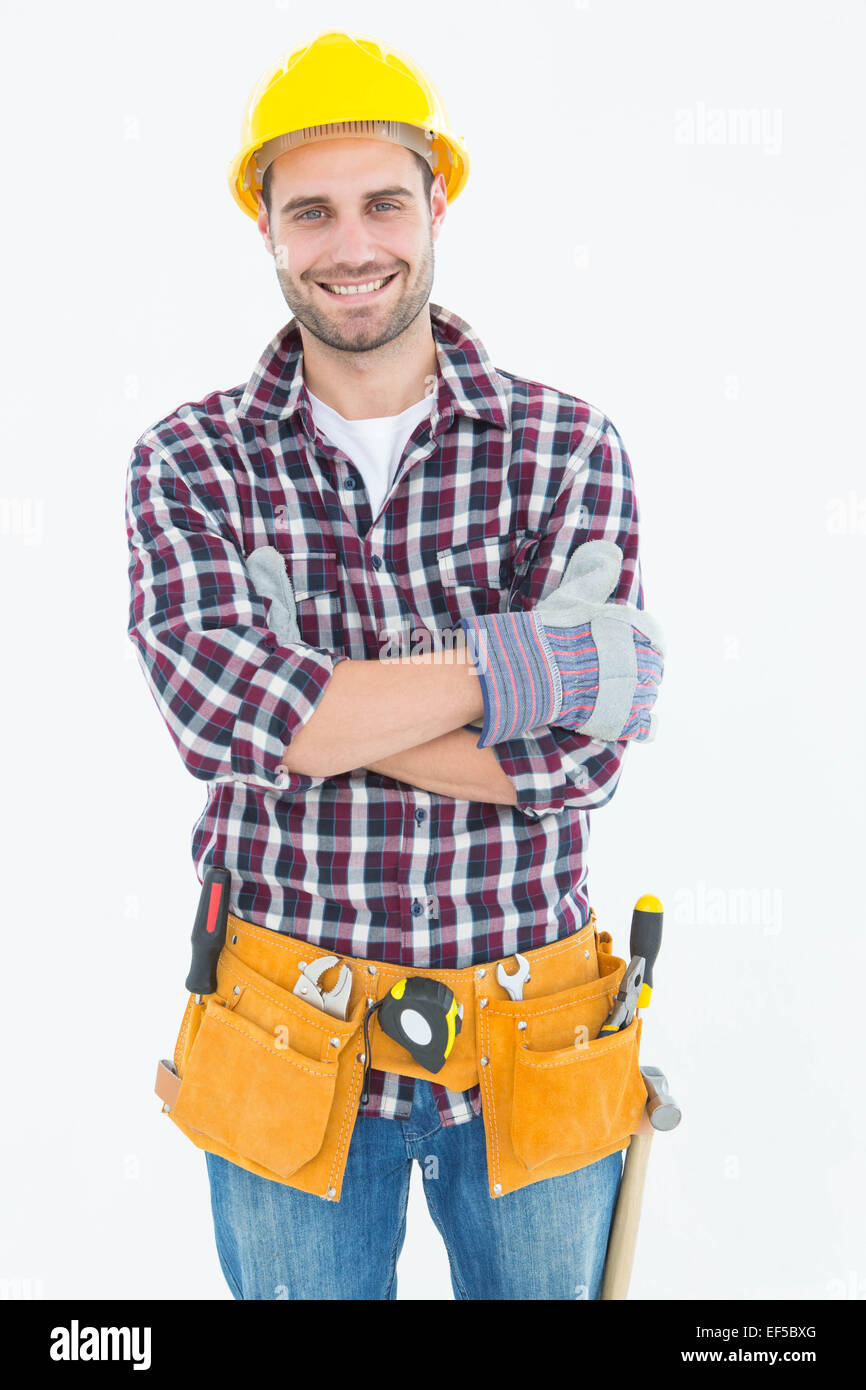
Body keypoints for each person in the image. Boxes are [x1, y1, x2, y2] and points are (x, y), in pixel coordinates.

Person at [125, 29, 664, 1300]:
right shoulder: (187, 460)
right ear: (266, 226)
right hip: (281, 1022)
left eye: (382, 201)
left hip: (534, 1028)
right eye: (311, 211)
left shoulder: (562, 445)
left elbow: (586, 754)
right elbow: (220, 718)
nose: (351, 244)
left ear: (436, 205)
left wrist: (315, 711)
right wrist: (521, 668)